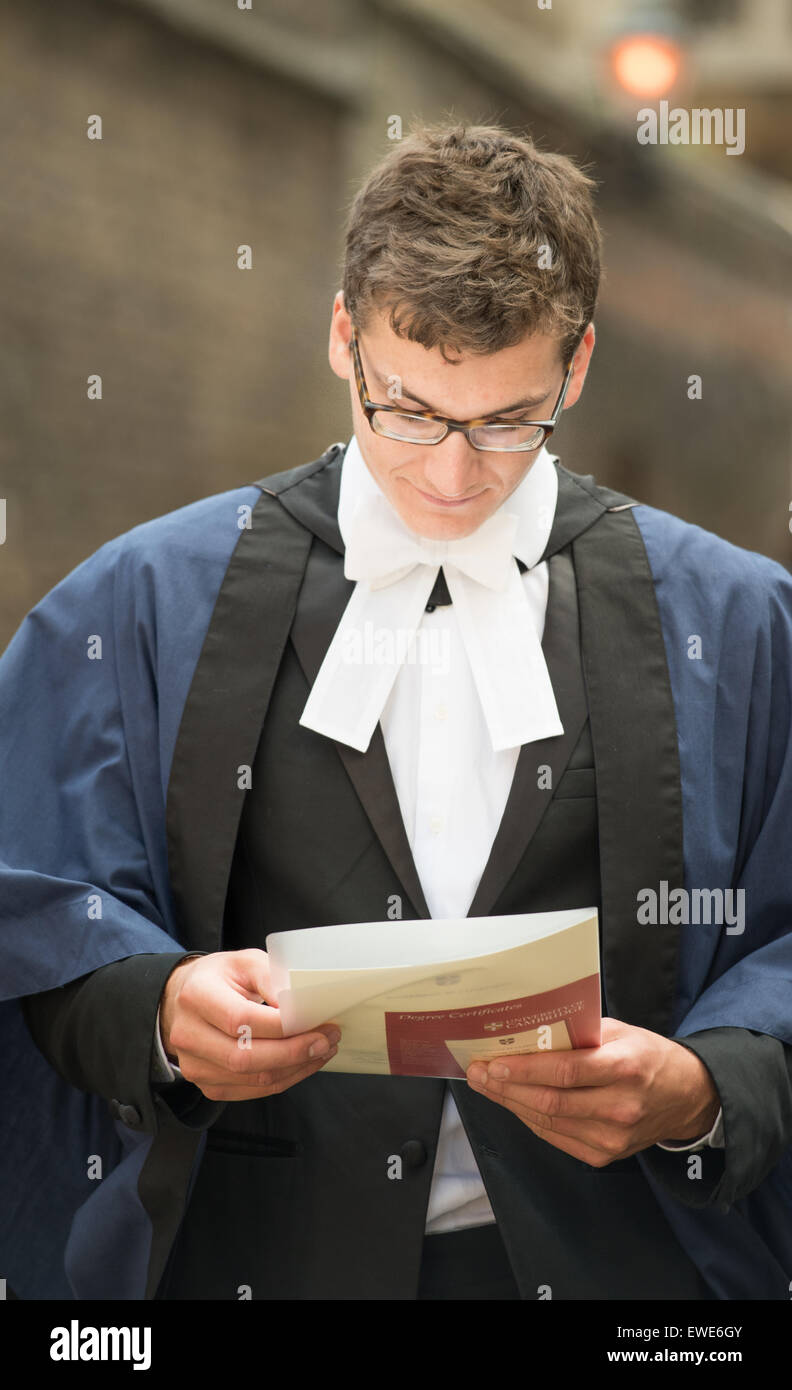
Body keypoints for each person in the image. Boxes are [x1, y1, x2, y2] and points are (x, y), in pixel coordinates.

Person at [1, 122, 791, 1302]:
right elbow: (37, 903)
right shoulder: (141, 600)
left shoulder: (741, 625)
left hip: (621, 1273)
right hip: (247, 1261)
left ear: (576, 368)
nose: (452, 475)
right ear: (341, 337)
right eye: (409, 410)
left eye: (510, 419)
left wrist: (709, 1086)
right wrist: (155, 1009)